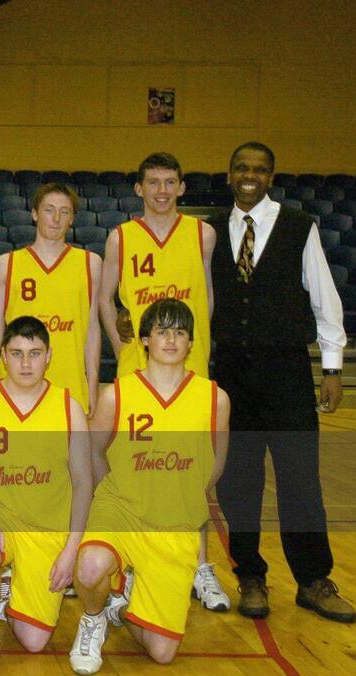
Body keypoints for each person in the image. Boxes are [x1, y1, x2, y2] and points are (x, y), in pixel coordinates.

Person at [210, 141, 356, 623]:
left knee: (300, 482)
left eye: (260, 170)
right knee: (237, 485)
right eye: (242, 168)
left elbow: (325, 299)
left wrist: (331, 367)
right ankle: (250, 576)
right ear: (229, 174)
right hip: (231, 374)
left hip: (287, 372)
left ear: (271, 177)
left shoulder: (299, 227)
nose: (249, 176)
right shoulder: (210, 231)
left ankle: (313, 579)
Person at [69, 298, 229, 675]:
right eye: (162, 331)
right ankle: (92, 620)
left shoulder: (214, 399)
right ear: (144, 340)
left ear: (192, 343)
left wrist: (177, 493)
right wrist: (115, 489)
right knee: (90, 568)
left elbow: (216, 466)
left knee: (162, 652)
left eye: (180, 332)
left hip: (174, 529)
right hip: (122, 509)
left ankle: (119, 607)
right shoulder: (117, 395)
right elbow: (93, 452)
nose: (171, 340)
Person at [97, 152, 228, 611]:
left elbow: (206, 299)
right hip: (139, 369)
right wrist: (121, 349)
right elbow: (105, 298)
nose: (161, 190)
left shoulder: (203, 234)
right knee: (133, 471)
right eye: (152, 182)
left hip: (190, 369)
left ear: (182, 187)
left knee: (195, 471)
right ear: (139, 189)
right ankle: (131, 566)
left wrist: (194, 348)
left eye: (169, 181)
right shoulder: (121, 238)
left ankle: (200, 565)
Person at [0, 316, 92, 676]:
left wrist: (71, 548)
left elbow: (83, 481)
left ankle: (4, 592)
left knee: (34, 641)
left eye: (35, 353)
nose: (26, 363)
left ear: (49, 356)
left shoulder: (68, 407)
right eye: (16, 353)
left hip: (48, 531)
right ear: (3, 356)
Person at [0, 182, 102, 414]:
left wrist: (93, 391)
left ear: (72, 218)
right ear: (35, 214)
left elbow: (92, 329)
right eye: (49, 209)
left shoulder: (90, 264)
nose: (56, 218)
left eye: (64, 211)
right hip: (13, 386)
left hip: (69, 387)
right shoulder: (8, 264)